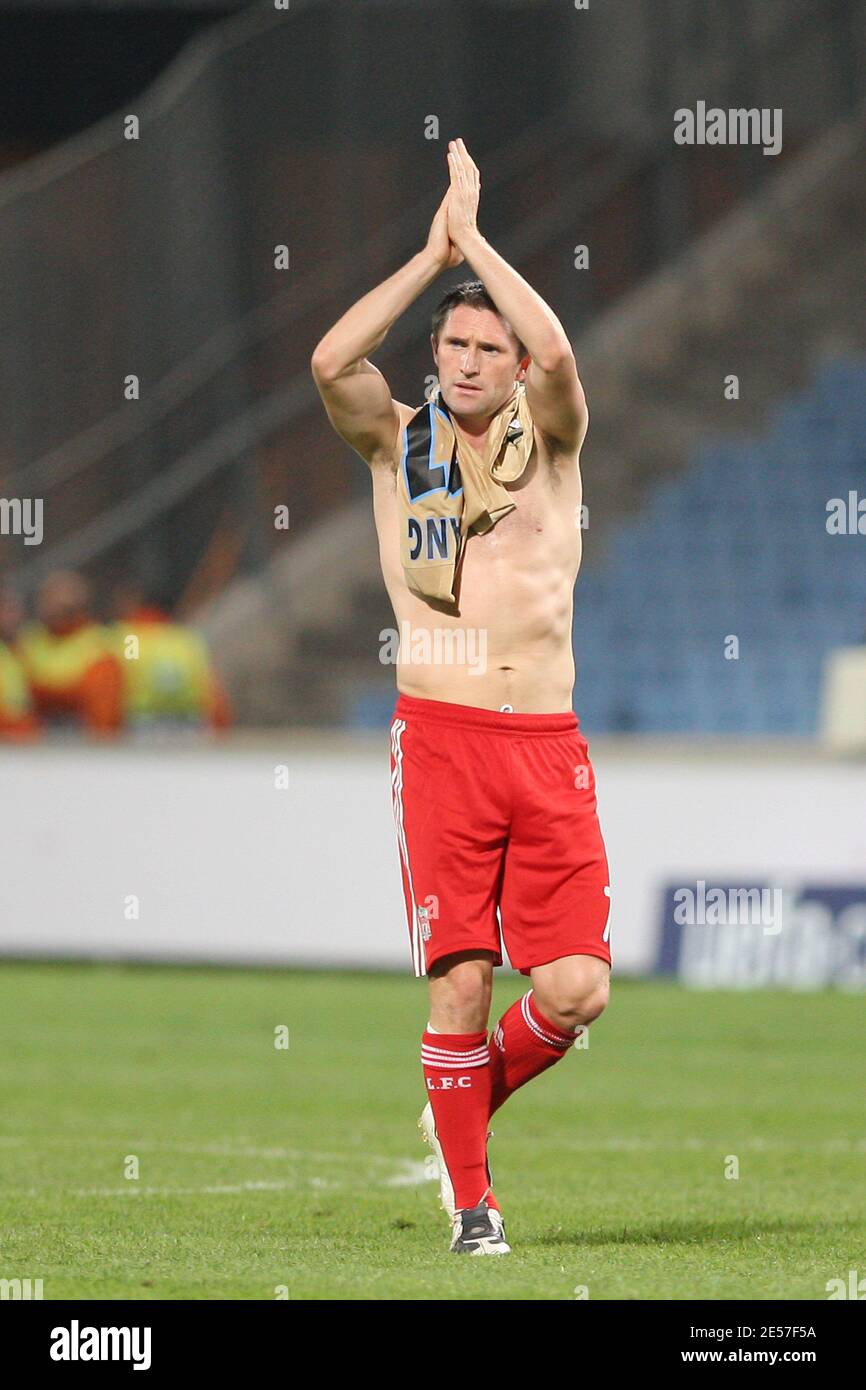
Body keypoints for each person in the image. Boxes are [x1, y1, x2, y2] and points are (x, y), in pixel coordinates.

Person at [311, 138, 611, 1255]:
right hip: (438, 737)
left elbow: (561, 353)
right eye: (456, 341)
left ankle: (458, 1107)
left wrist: (477, 240)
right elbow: (331, 360)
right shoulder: (398, 446)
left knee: (577, 989)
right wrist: (425, 254)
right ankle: (472, 1205)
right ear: (432, 351)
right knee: (462, 985)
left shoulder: (556, 442)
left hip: (544, 737)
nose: (477, 359)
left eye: (491, 345)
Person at [109, 582, 231, 732]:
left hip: (137, 728)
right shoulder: (184, 639)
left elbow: (113, 686)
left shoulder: (130, 639)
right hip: (191, 729)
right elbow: (213, 696)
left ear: (132, 602)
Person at [16, 570, 123, 736]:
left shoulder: (100, 643)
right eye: (46, 596)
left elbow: (103, 712)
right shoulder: (28, 639)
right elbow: (16, 694)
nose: (48, 605)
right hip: (30, 742)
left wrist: (43, 692)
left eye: (57, 597)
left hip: (80, 745)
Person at [0, 585, 40, 740]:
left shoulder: (28, 646)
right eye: (4, 610)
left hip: (21, 736)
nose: (8, 617)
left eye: (12, 610)